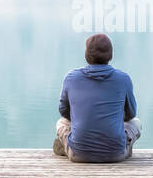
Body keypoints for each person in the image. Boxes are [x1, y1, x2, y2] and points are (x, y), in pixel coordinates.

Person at [53, 33, 142, 163]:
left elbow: (64, 111)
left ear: (86, 55)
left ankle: (68, 145)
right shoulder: (123, 79)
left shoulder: (71, 78)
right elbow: (131, 114)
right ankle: (124, 147)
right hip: (115, 154)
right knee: (136, 123)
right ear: (110, 56)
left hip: (78, 154)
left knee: (61, 123)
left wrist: (84, 116)